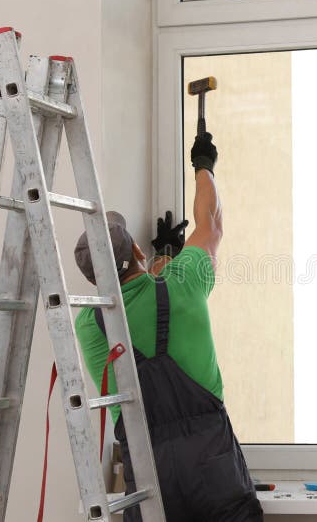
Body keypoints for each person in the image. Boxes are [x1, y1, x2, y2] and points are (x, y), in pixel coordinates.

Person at [73, 133, 263, 522]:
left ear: (92, 280)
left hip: (149, 487)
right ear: (139, 252)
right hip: (214, 476)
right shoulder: (184, 282)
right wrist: (203, 165)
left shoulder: (88, 325)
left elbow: (134, 311)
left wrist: (160, 263)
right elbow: (211, 224)